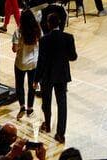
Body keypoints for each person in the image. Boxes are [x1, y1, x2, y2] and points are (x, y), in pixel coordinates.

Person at [37, 7, 78, 142]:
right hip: (62, 75)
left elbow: (41, 62)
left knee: (46, 102)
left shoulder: (44, 40)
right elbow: (73, 57)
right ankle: (60, 133)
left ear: (48, 24)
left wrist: (36, 79)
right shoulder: (68, 38)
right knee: (62, 104)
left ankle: (47, 125)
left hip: (47, 76)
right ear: (60, 23)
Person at [11, 8, 40, 119]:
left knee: (20, 85)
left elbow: (14, 49)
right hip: (34, 63)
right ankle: (30, 108)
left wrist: (18, 46)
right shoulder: (37, 30)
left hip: (21, 62)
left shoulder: (18, 31)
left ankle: (22, 106)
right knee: (32, 86)